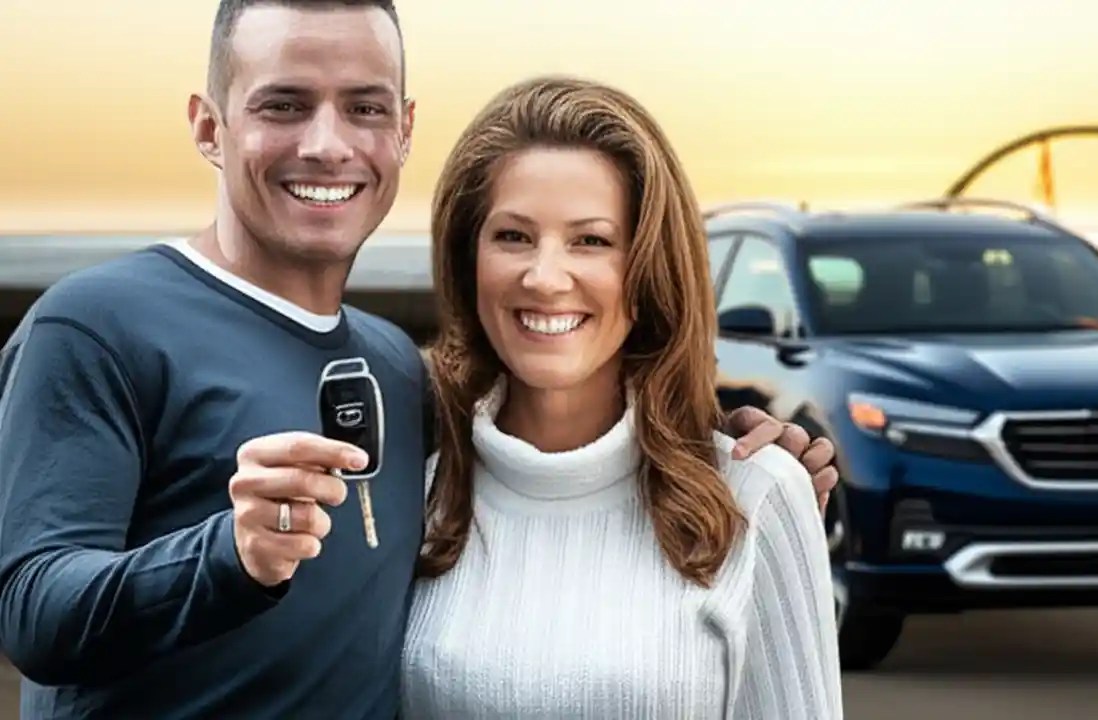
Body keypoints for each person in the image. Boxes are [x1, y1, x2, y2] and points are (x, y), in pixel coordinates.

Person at [0, 1, 837, 718]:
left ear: (403, 129)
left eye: (363, 108)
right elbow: (33, 612)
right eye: (284, 105)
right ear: (210, 126)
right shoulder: (97, 325)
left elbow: (576, 435)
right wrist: (231, 554)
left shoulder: (398, 373)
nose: (328, 146)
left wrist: (729, 444)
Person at [398, 76, 843, 718]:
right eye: (513, 236)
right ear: (468, 261)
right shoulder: (412, 490)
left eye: (592, 240)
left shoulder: (760, 495)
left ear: (648, 272)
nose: (545, 277)